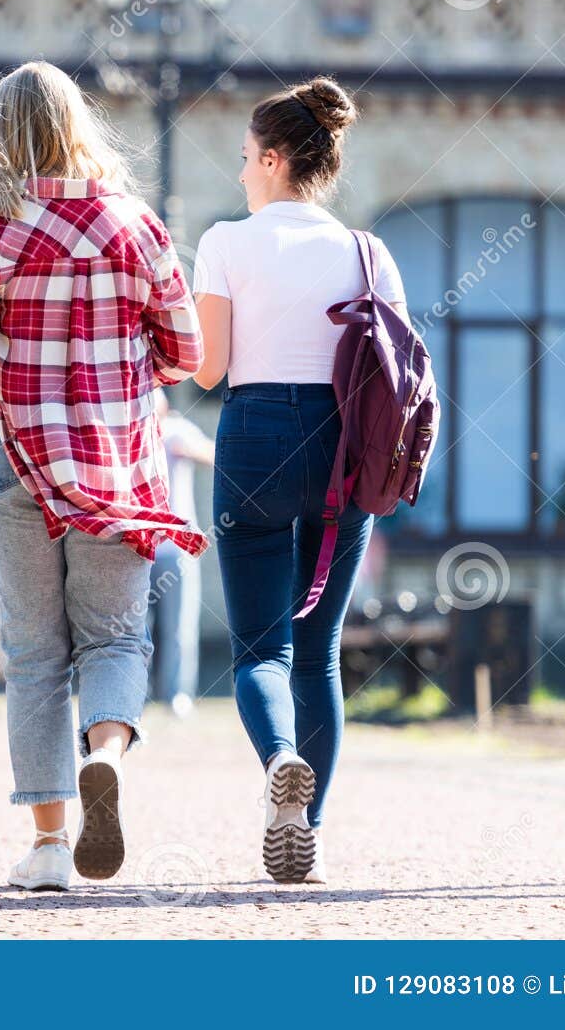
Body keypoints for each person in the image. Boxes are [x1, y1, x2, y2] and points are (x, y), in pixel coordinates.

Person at [0, 60, 205, 891]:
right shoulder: (137, 225)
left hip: (19, 460)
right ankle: (110, 757)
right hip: (117, 463)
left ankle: (51, 845)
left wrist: (2, 372)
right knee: (117, 636)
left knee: (33, 650)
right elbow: (188, 352)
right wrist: (131, 366)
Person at [192, 76, 405, 885]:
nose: (242, 172)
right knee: (317, 653)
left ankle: (279, 757)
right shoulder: (366, 251)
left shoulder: (225, 241)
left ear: (276, 160)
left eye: (248, 158)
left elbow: (209, 370)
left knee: (259, 647)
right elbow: (397, 373)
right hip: (344, 451)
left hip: (252, 438)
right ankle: (305, 826)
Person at [148, 389, 214, 717]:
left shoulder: (175, 429)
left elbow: (212, 454)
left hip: (177, 547)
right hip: (138, 547)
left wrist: (188, 447)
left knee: (180, 626)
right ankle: (137, 694)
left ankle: (178, 694)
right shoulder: (130, 432)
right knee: (134, 628)